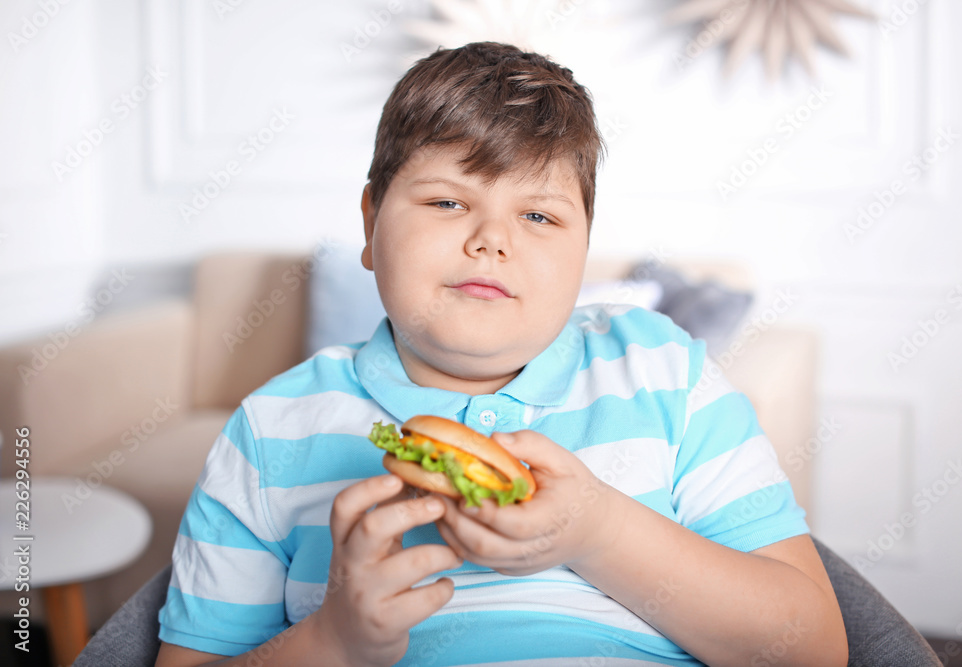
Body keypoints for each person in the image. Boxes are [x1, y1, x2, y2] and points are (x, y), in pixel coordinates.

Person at [154, 41, 848, 667]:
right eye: (448, 202)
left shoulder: (668, 373)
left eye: (539, 215)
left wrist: (597, 531)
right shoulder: (270, 428)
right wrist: (333, 641)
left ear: (584, 248)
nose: (491, 238)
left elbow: (813, 646)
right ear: (370, 225)